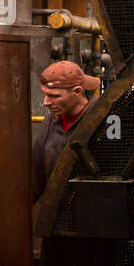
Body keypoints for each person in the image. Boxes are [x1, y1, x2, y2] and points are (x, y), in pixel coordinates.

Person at [31, 60, 100, 202]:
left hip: (94, 210)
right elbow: (35, 180)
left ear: (77, 91)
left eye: (54, 96)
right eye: (45, 94)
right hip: (57, 215)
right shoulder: (50, 123)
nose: (46, 102)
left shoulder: (106, 119)